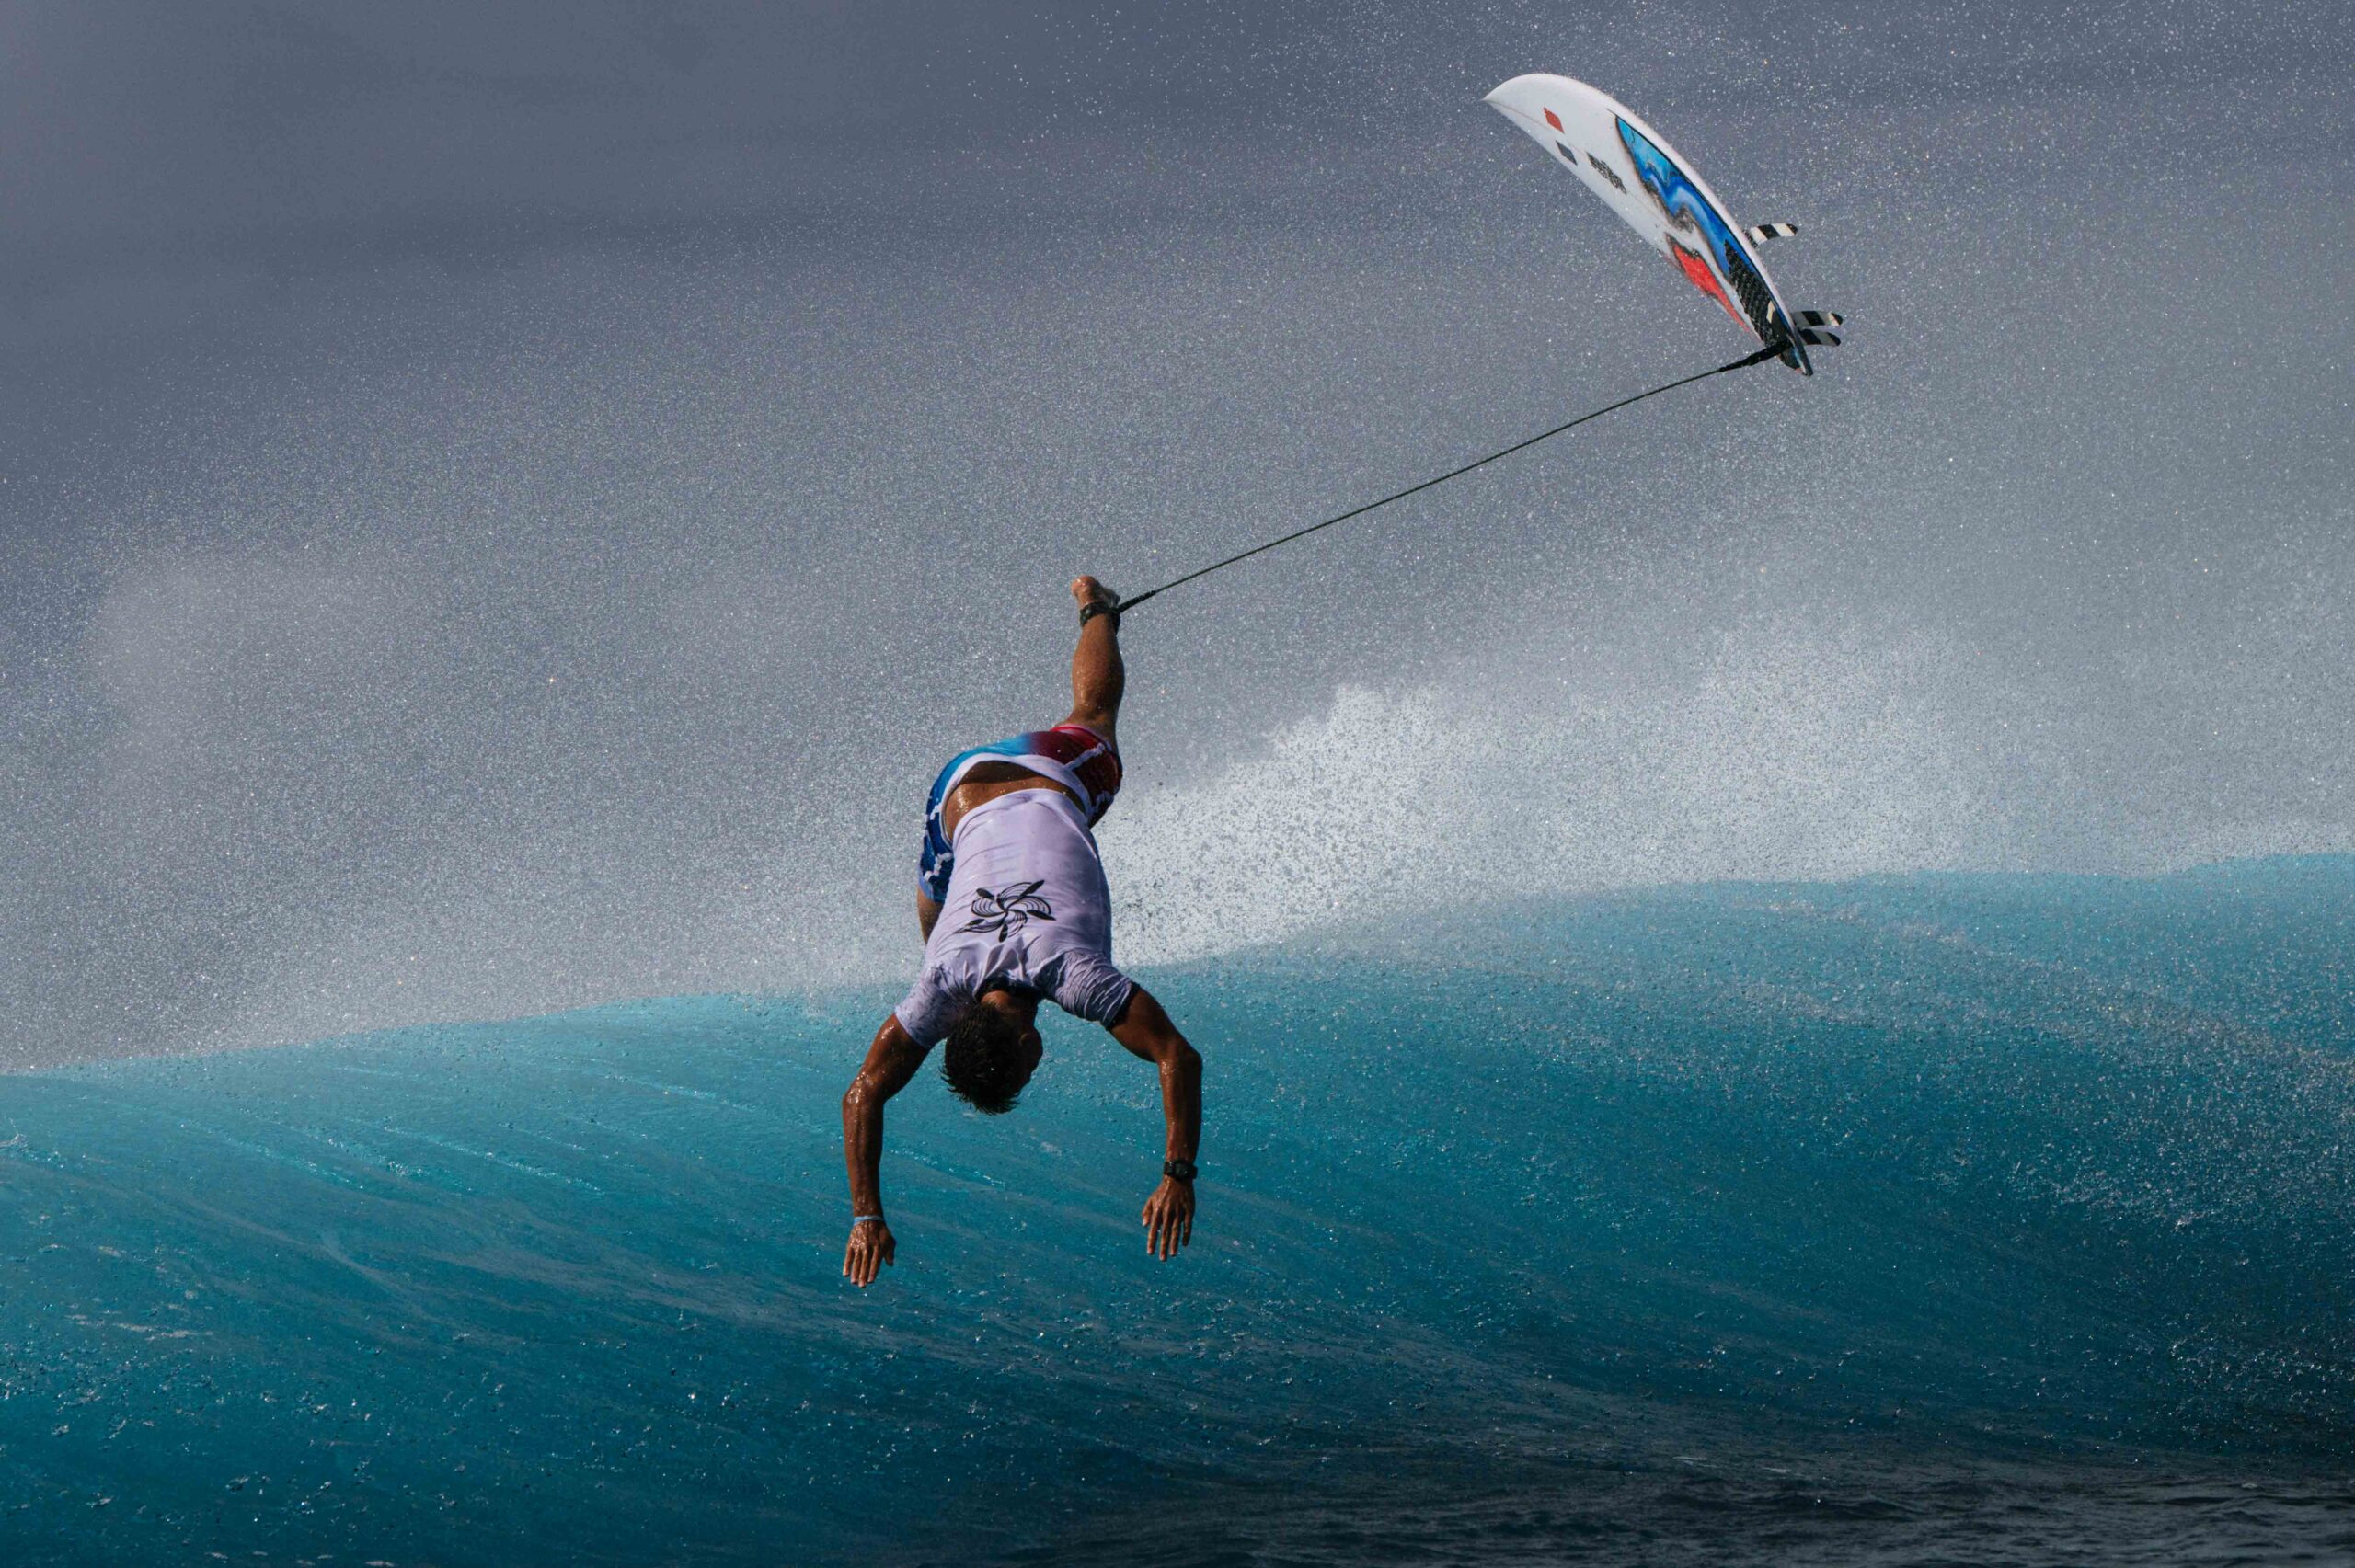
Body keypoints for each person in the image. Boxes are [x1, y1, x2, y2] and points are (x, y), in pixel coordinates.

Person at [840, 577, 1202, 1288]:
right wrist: (864, 1215)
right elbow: (863, 1091)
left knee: (1096, 717)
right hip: (959, 787)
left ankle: (1098, 608)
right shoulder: (942, 987)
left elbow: (1177, 1055)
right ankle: (1091, 606)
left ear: (1031, 1045)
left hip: (1047, 775)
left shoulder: (1073, 974)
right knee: (936, 926)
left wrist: (1177, 1174)